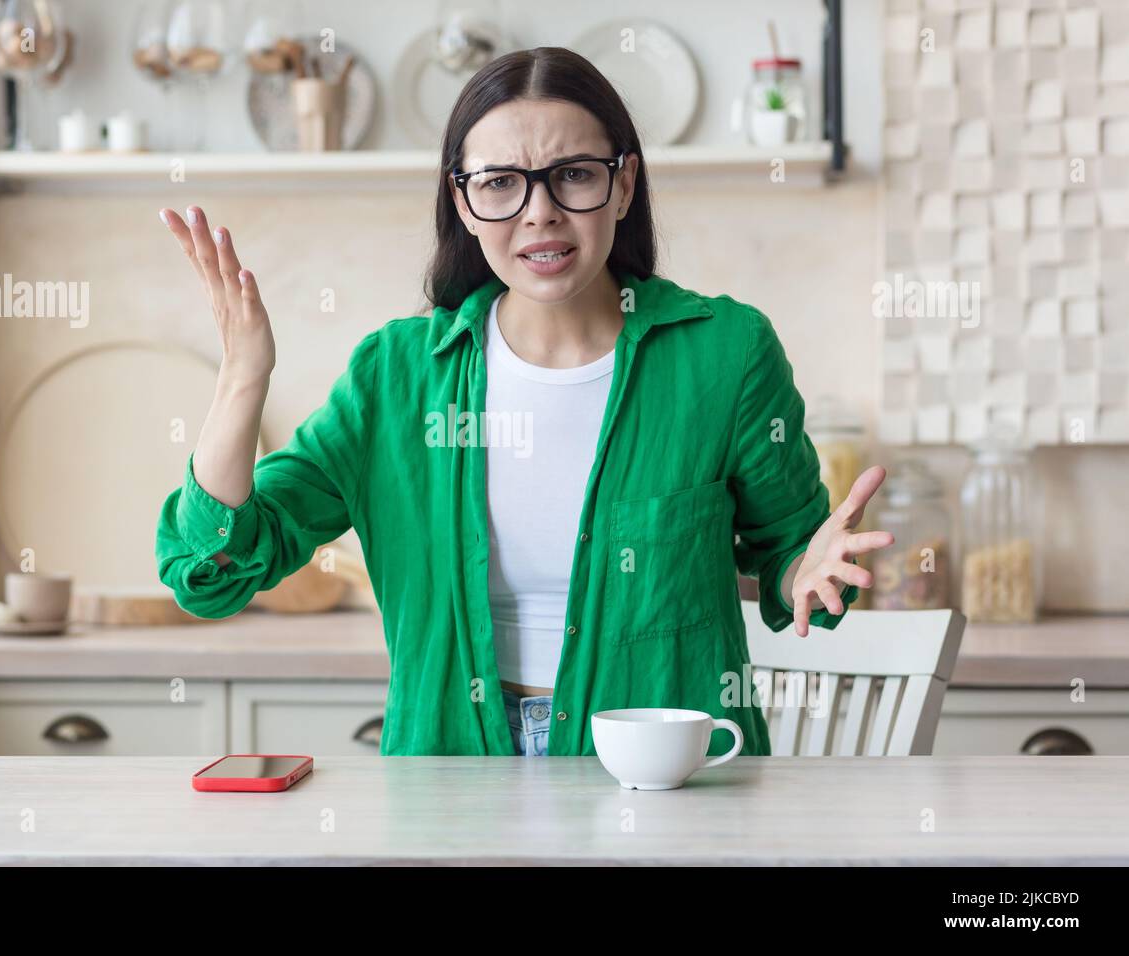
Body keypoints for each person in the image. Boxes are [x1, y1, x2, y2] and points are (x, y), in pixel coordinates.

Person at [154, 47, 895, 758]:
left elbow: (793, 559)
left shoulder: (725, 354)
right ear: (463, 201)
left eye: (572, 174)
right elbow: (212, 572)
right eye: (501, 182)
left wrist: (805, 572)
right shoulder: (396, 378)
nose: (539, 213)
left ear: (625, 183)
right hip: (453, 783)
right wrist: (243, 377)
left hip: (665, 783)